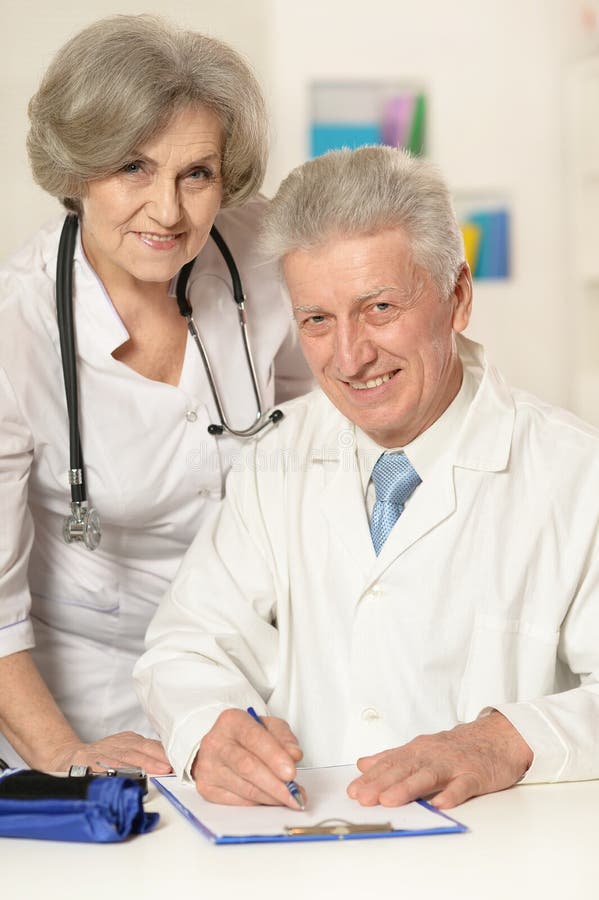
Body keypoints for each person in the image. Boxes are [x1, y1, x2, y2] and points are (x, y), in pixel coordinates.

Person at [134, 145, 599, 810]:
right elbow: (187, 644)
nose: (349, 358)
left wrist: (507, 738)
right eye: (317, 320)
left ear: (457, 297)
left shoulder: (574, 474)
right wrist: (210, 727)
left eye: (379, 308)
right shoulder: (275, 458)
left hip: (497, 852)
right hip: (306, 840)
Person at [0, 14, 312, 774]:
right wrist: (65, 755)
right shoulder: (16, 329)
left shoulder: (269, 255)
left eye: (196, 173)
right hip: (90, 698)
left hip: (268, 674)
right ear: (77, 169)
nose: (168, 211)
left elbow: (326, 439)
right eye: (132, 168)